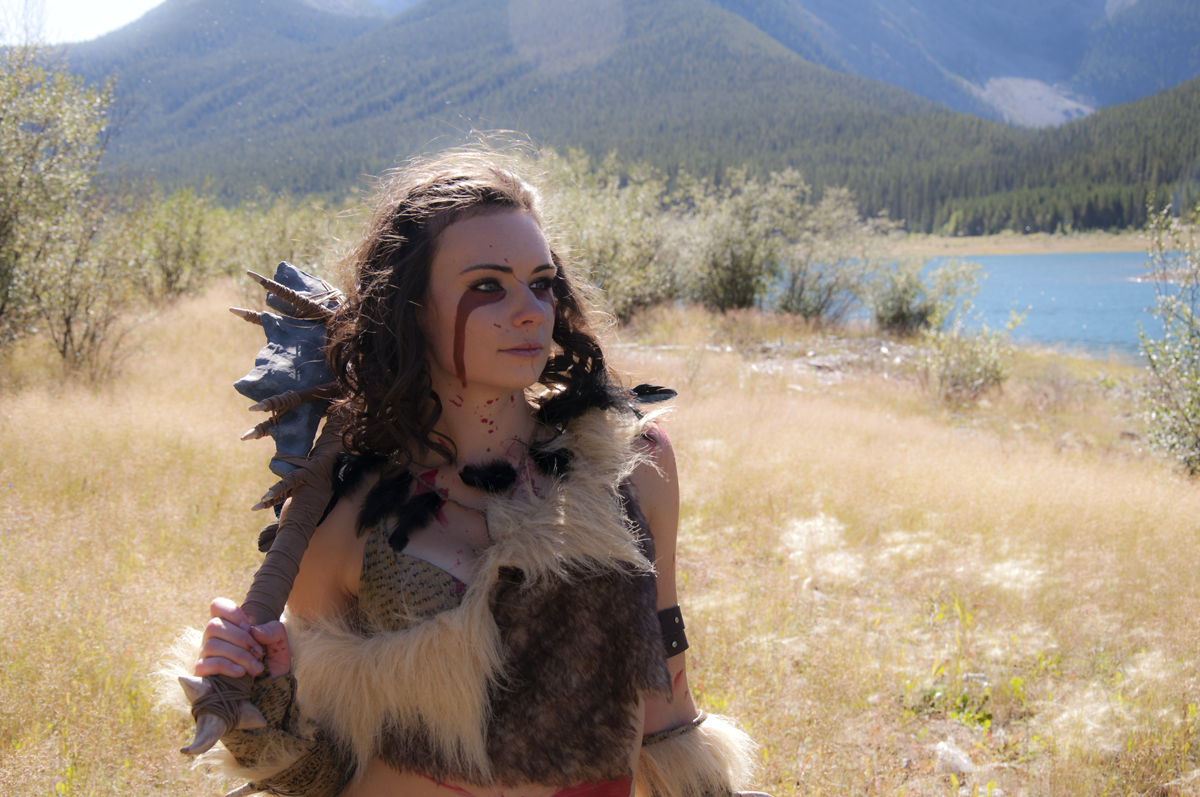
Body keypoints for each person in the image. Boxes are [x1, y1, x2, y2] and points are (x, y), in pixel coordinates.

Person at [178, 151, 757, 797]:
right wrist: (262, 715)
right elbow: (328, 770)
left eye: (542, 283)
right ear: (410, 308)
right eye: (487, 286)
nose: (530, 310)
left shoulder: (632, 466)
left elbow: (666, 701)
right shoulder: (342, 518)